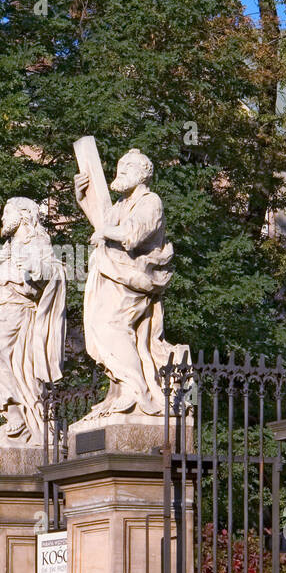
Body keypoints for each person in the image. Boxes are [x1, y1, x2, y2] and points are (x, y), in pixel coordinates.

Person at [74, 148, 188, 419]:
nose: (120, 171)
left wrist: (104, 232)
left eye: (127, 167)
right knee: (101, 331)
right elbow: (103, 223)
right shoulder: (121, 205)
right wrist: (83, 199)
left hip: (132, 278)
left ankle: (136, 392)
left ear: (143, 174)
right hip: (111, 275)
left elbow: (132, 235)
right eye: (119, 166)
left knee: (111, 328)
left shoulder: (151, 201)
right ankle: (121, 389)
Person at [0, 197, 66, 448]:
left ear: (23, 215)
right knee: (5, 366)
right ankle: (19, 418)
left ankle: (16, 414)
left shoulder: (38, 243)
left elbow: (54, 274)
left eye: (6, 213)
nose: (1, 218)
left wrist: (35, 268)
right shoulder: (4, 249)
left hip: (18, 313)